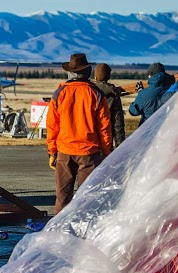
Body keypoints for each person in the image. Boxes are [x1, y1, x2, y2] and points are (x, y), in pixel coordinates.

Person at [46, 53, 112, 214]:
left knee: (62, 197)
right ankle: (84, 232)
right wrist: (106, 151)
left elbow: (52, 126)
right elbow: (104, 127)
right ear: (87, 72)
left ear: (70, 73)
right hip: (89, 153)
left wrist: (52, 151)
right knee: (87, 198)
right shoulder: (96, 94)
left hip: (65, 151)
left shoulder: (59, 94)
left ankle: (58, 232)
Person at [92, 63, 125, 149]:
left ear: (95, 77)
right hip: (107, 139)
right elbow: (118, 123)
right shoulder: (113, 94)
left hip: (88, 139)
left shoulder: (88, 91)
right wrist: (120, 147)